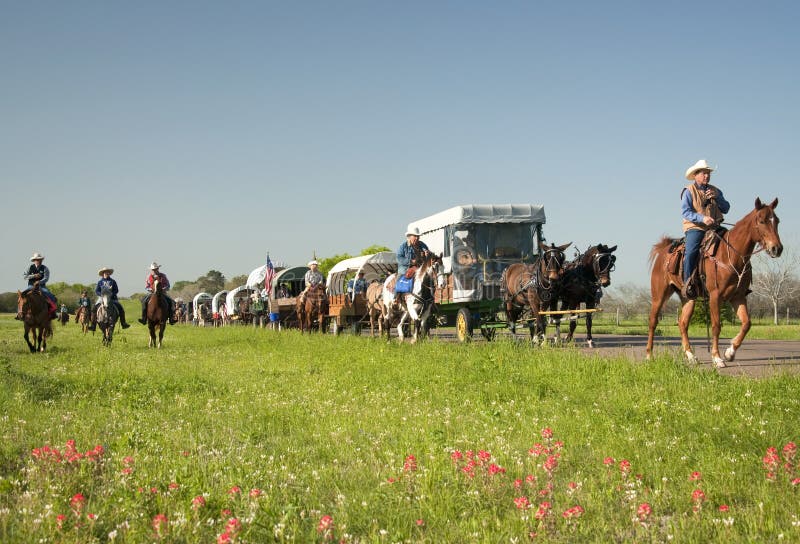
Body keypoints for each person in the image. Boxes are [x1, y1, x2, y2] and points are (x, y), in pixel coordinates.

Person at [681, 159, 730, 299]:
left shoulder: (716, 190)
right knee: (691, 251)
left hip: (715, 227)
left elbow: (726, 208)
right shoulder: (688, 191)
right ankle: (688, 283)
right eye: (704, 173)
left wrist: (717, 199)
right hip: (696, 228)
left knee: (732, 245)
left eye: (708, 173)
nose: (707, 176)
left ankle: (738, 282)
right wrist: (703, 218)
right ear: (695, 175)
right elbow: (686, 212)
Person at [394, 227, 430, 303]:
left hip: (418, 268)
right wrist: (410, 261)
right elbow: (398, 258)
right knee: (400, 278)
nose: (417, 238)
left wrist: (427, 253)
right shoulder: (403, 246)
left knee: (428, 277)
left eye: (418, 236)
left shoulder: (421, 244)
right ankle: (396, 297)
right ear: (409, 236)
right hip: (405, 268)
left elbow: (426, 250)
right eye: (415, 236)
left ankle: (429, 297)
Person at [18, 252, 58, 319]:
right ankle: (19, 313)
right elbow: (24, 276)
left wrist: (39, 282)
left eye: (39, 259)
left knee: (51, 296)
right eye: (36, 259)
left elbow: (46, 278)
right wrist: (34, 276)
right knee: (21, 296)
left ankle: (53, 312)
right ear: (34, 260)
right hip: (31, 286)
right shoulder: (30, 267)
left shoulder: (45, 268)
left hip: (41, 286)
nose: (38, 261)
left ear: (41, 260)